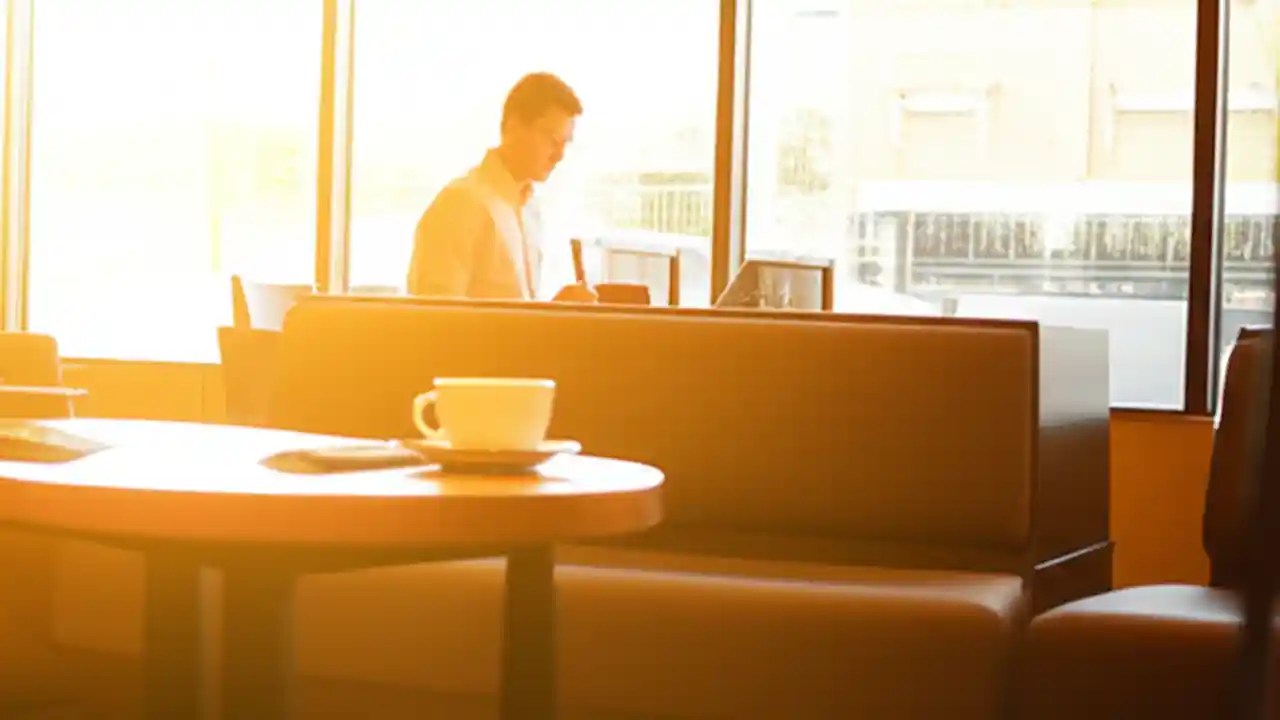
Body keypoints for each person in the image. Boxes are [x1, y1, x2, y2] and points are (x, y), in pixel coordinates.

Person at [406, 72, 596, 303]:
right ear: (513, 127)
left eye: (565, 144)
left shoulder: (530, 209)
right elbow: (437, 324)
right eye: (552, 139)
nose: (559, 156)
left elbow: (517, 318)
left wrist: (555, 313)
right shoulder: (459, 205)